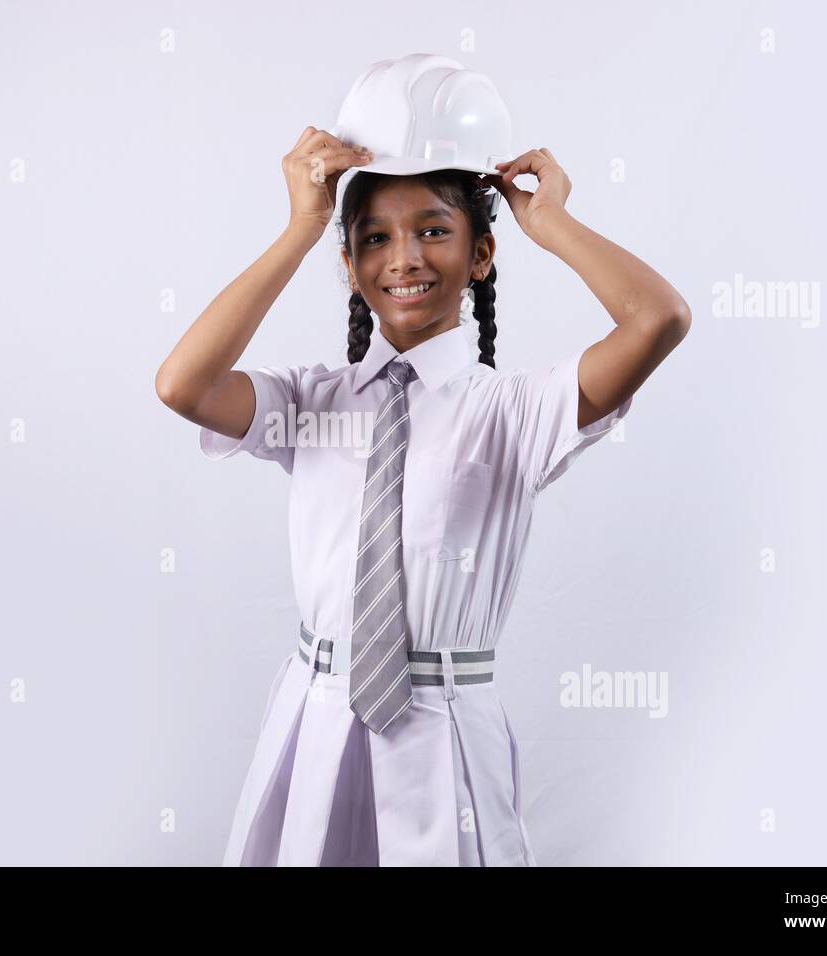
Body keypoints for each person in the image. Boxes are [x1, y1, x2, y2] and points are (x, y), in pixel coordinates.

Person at [155, 126, 690, 866]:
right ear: (350, 265)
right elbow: (182, 385)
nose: (403, 258)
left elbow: (658, 319)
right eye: (373, 239)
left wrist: (552, 222)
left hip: (443, 727)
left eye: (434, 231)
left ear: (481, 254)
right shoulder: (309, 402)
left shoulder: (515, 412)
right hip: (313, 716)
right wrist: (303, 226)